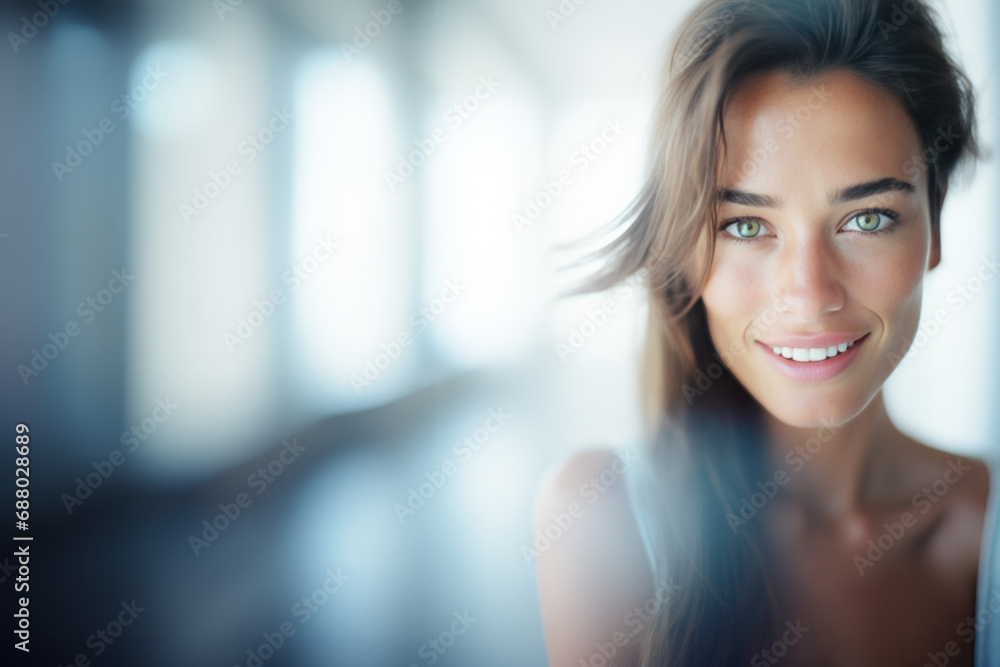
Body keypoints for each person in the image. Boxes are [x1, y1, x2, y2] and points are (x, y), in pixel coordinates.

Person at [534, 0, 996, 665]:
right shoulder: (597, 519)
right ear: (685, 252)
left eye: (867, 218)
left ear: (936, 227)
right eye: (746, 226)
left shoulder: (985, 533)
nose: (809, 295)